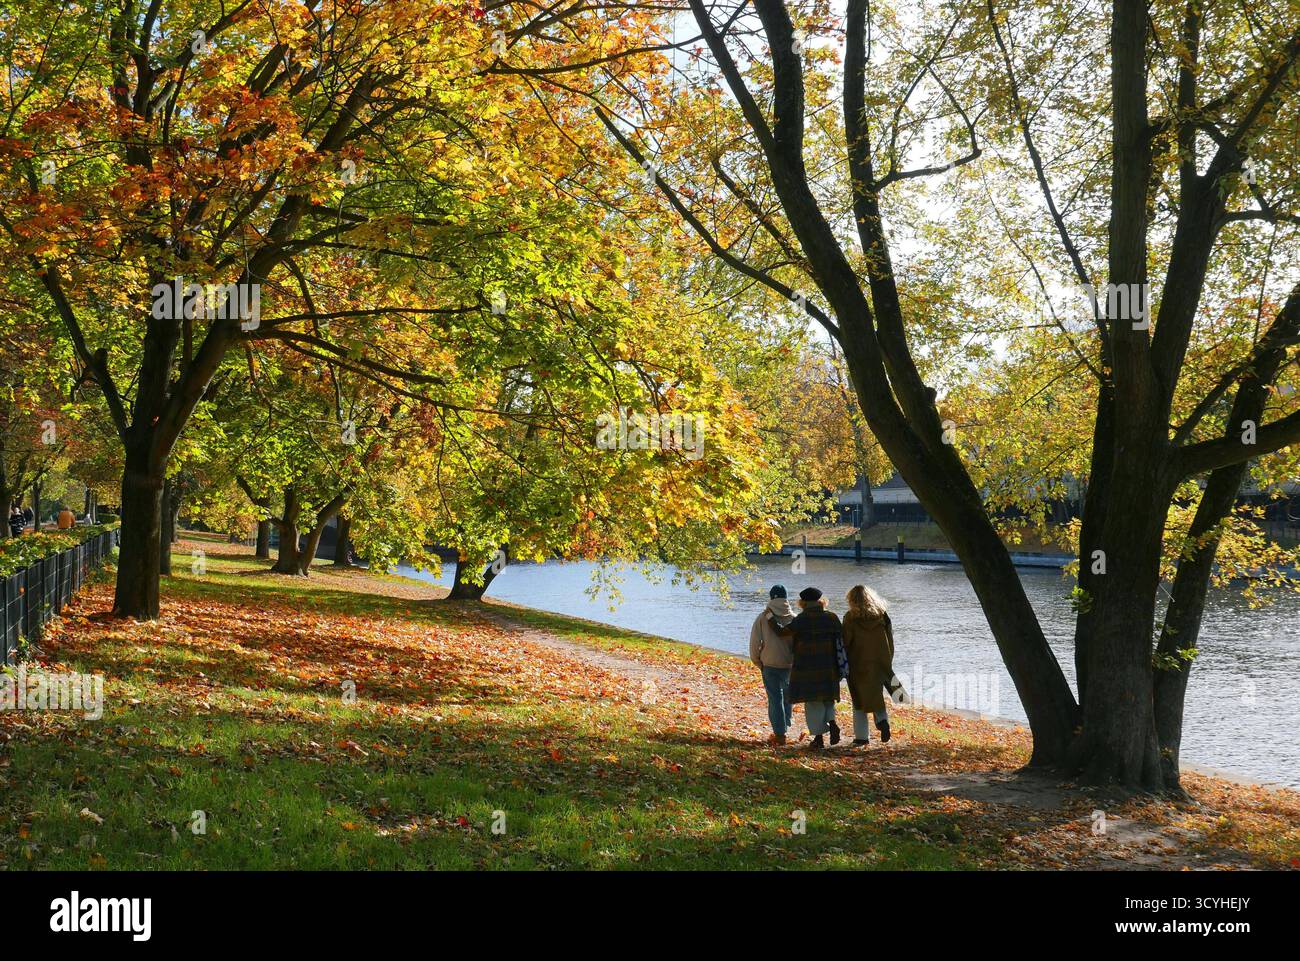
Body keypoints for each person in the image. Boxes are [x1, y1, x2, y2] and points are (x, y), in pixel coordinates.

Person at [784, 587, 843, 750]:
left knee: (813, 702)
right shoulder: (832, 618)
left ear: (803, 603)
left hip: (807, 667)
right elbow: (841, 638)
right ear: (821, 601)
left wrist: (769, 618)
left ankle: (818, 738)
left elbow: (783, 633)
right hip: (829, 665)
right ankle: (831, 721)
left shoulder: (801, 620)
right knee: (827, 698)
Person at [842, 585, 895, 746]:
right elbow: (890, 639)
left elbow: (845, 641)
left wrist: (843, 663)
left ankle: (862, 737)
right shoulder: (882, 615)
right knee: (876, 695)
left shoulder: (850, 617)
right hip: (880, 661)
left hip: (858, 663)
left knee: (859, 700)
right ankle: (882, 721)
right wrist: (887, 660)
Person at [749, 585, 796, 745]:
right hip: (789, 664)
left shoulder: (763, 617)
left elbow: (755, 642)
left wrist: (757, 661)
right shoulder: (794, 618)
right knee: (788, 697)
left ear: (771, 598)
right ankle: (785, 726)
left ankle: (779, 733)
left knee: (775, 699)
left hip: (769, 663)